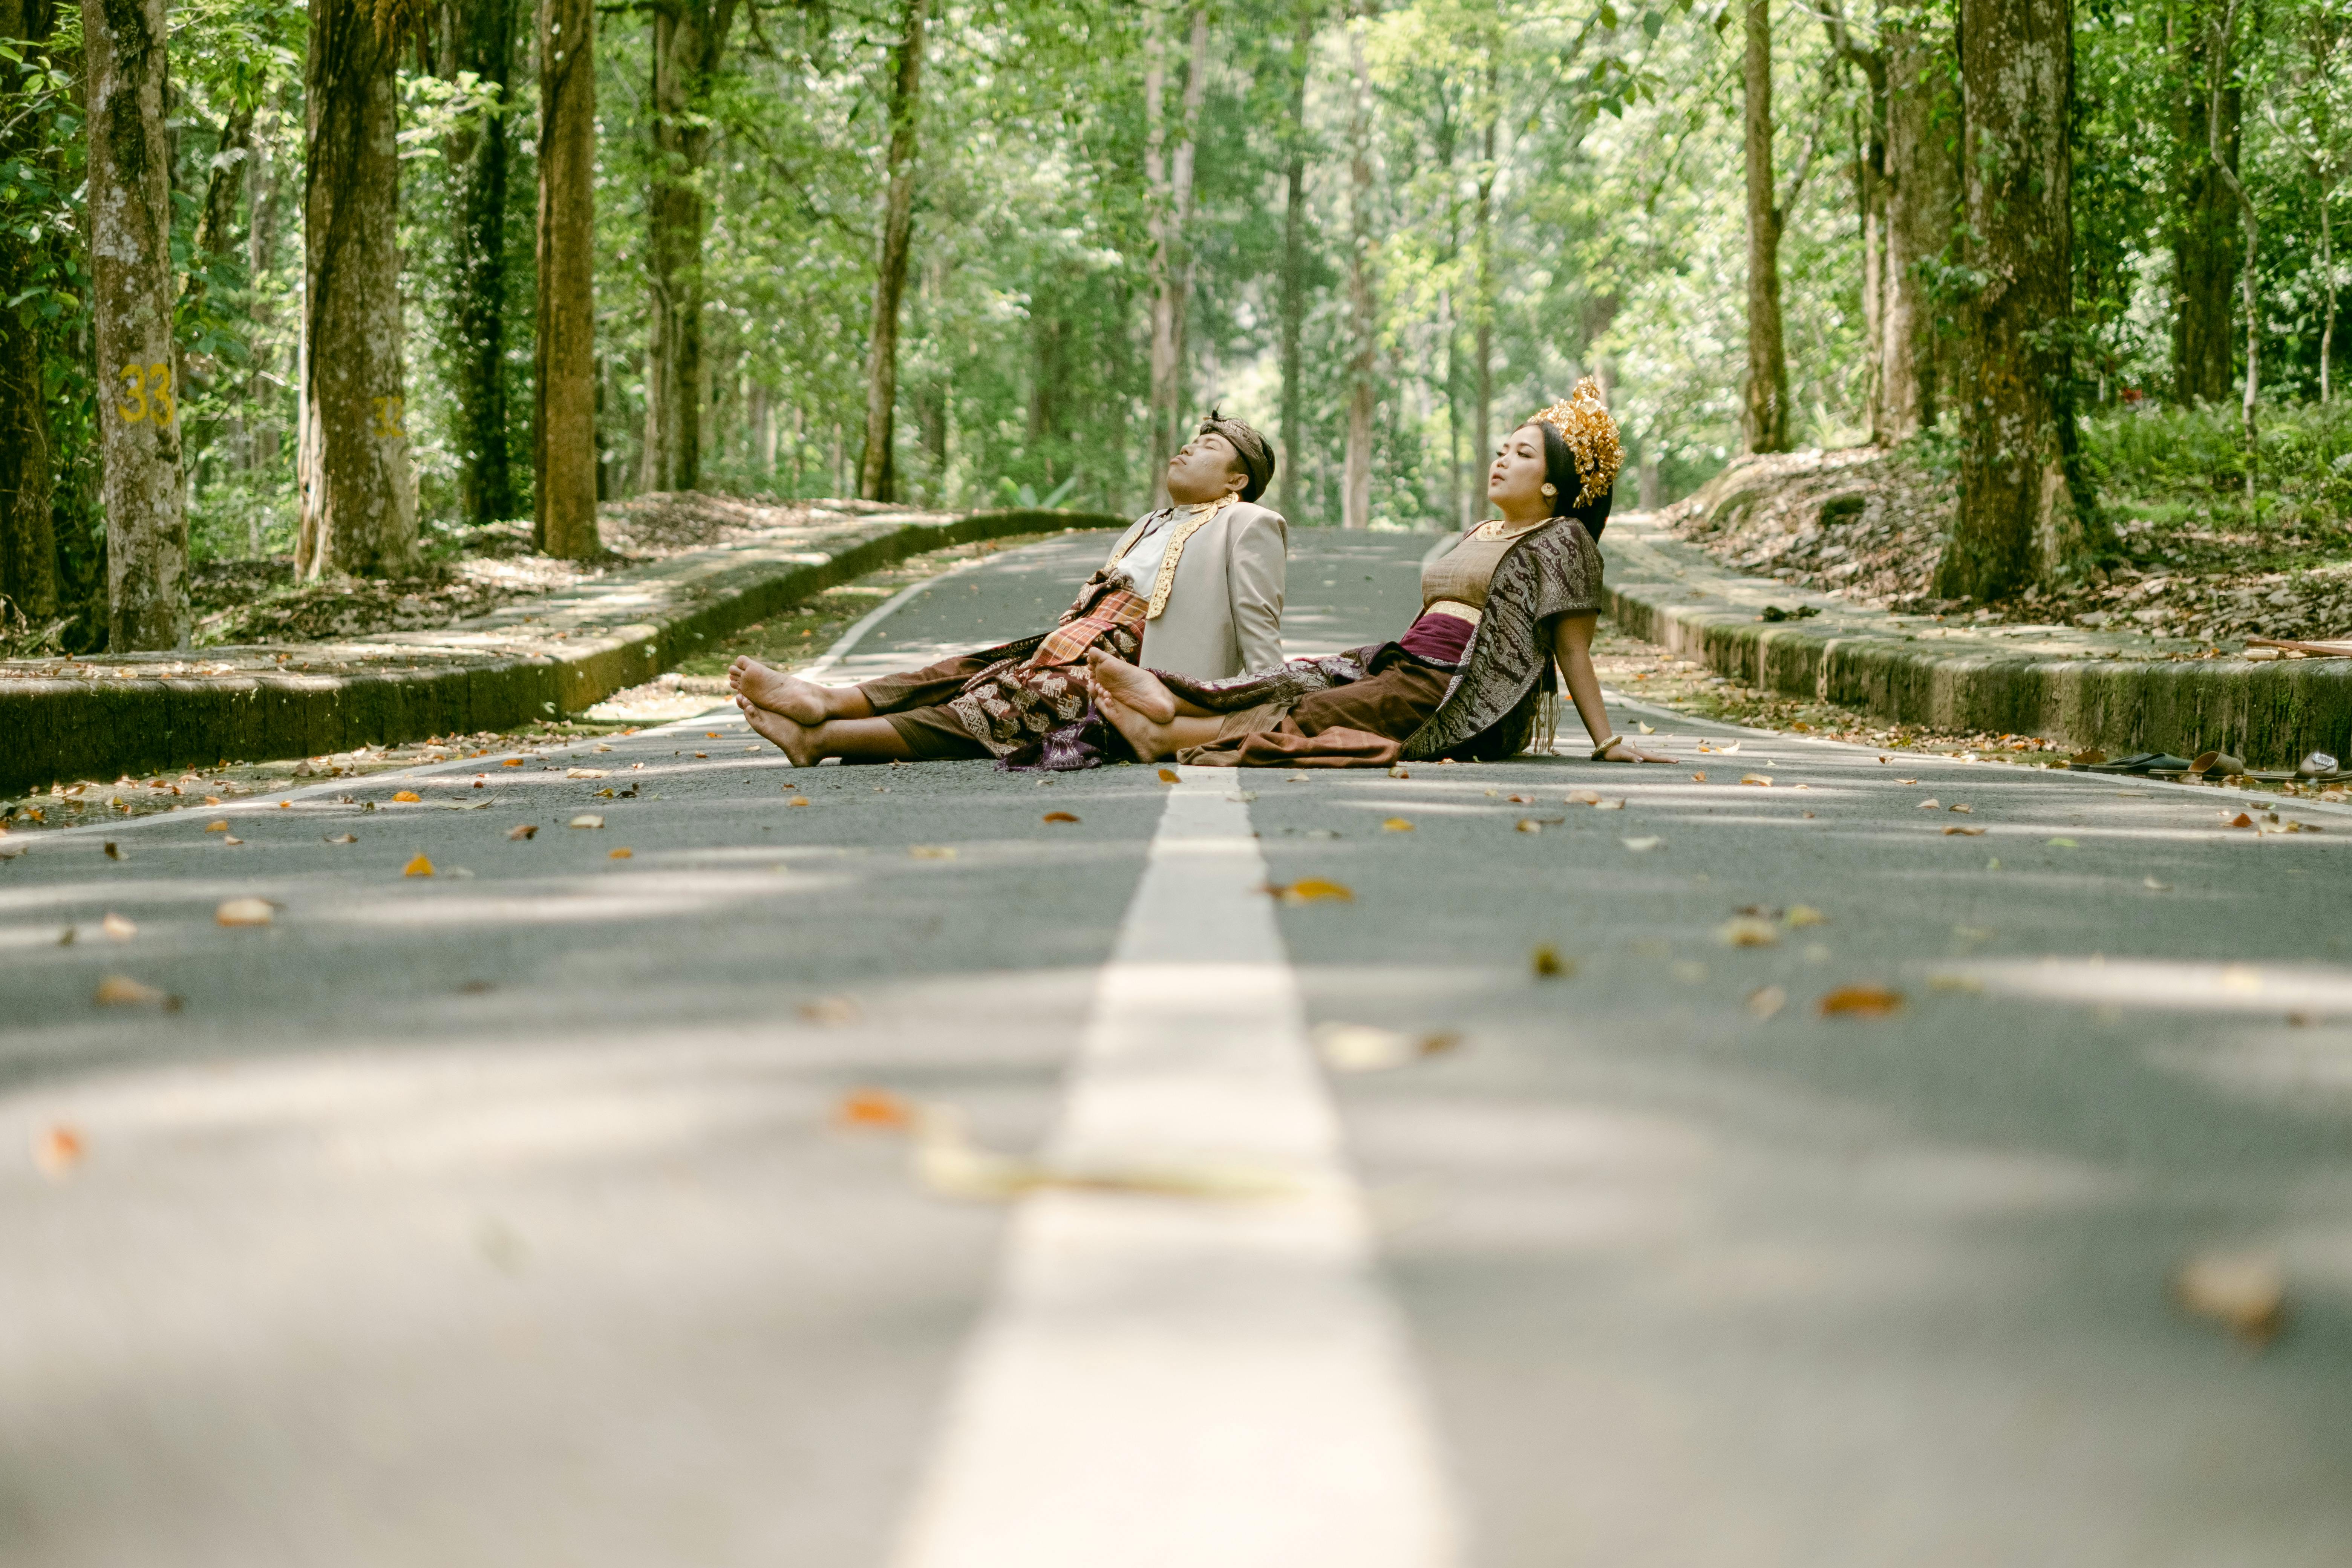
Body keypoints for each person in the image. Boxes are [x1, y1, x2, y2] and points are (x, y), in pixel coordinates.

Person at [1084, 378, 1673, 769]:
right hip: (1410, 664)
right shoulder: (1480, 533)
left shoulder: (1563, 540)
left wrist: (1608, 742)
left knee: (1322, 714)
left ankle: (1166, 734)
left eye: (1523, 455)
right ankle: (1168, 699)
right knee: (1299, 680)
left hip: (1460, 694)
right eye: (1502, 449)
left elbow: (1573, 652)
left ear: (1554, 484)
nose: (1501, 461)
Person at [730, 414, 1287, 768]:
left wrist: (1270, 706)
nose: (1189, 449)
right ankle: (825, 701)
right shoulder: (1149, 521)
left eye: (1208, 447)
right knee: (959, 673)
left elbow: (1257, 619)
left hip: (1135, 662)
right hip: (1073, 639)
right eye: (1193, 440)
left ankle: (823, 739)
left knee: (991, 711)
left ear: (1237, 482)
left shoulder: (1248, 524)